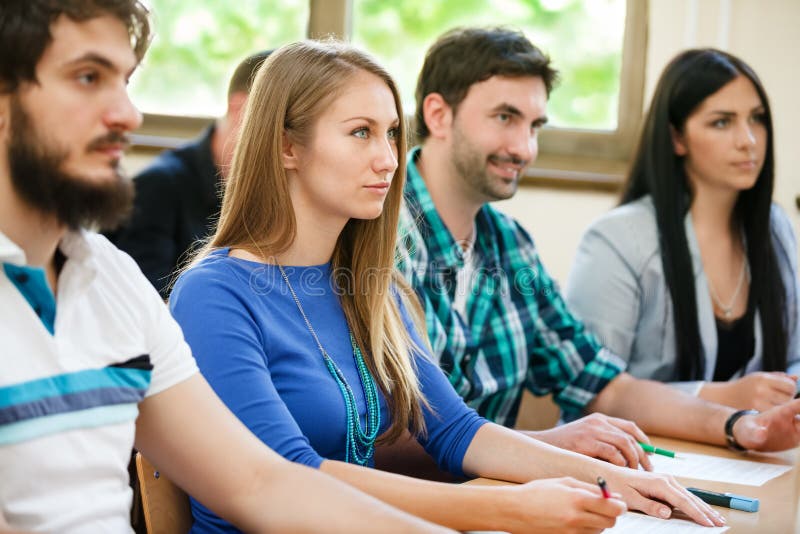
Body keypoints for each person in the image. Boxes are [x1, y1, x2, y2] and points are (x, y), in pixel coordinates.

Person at [169, 39, 732, 534]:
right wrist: (512, 509)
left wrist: (611, 482)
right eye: (360, 133)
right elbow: (292, 475)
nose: (388, 159)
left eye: (391, 133)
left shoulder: (370, 286)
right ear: (287, 147)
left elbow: (456, 430)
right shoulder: (215, 294)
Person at [0, 2, 450, 532]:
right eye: (87, 77)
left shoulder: (112, 279)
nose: (129, 114)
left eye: (125, 81)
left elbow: (260, 482)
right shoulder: (212, 289)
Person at [394, 26, 800, 467]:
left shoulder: (511, 246)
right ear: (437, 115)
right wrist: (551, 443)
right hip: (405, 505)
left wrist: (738, 425)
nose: (525, 148)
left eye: (535, 126)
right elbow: (377, 438)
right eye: (505, 117)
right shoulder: (383, 240)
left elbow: (607, 385)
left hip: (495, 495)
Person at [565, 48, 800, 412]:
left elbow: (794, 356)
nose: (748, 140)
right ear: (677, 137)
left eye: (757, 119)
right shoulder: (616, 240)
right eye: (722, 122)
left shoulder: (775, 227)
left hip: (754, 458)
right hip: (640, 458)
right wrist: (721, 397)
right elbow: (592, 392)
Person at [109, 50, 271, 298]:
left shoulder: (270, 193)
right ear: (241, 109)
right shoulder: (159, 187)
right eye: (283, 122)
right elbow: (148, 305)